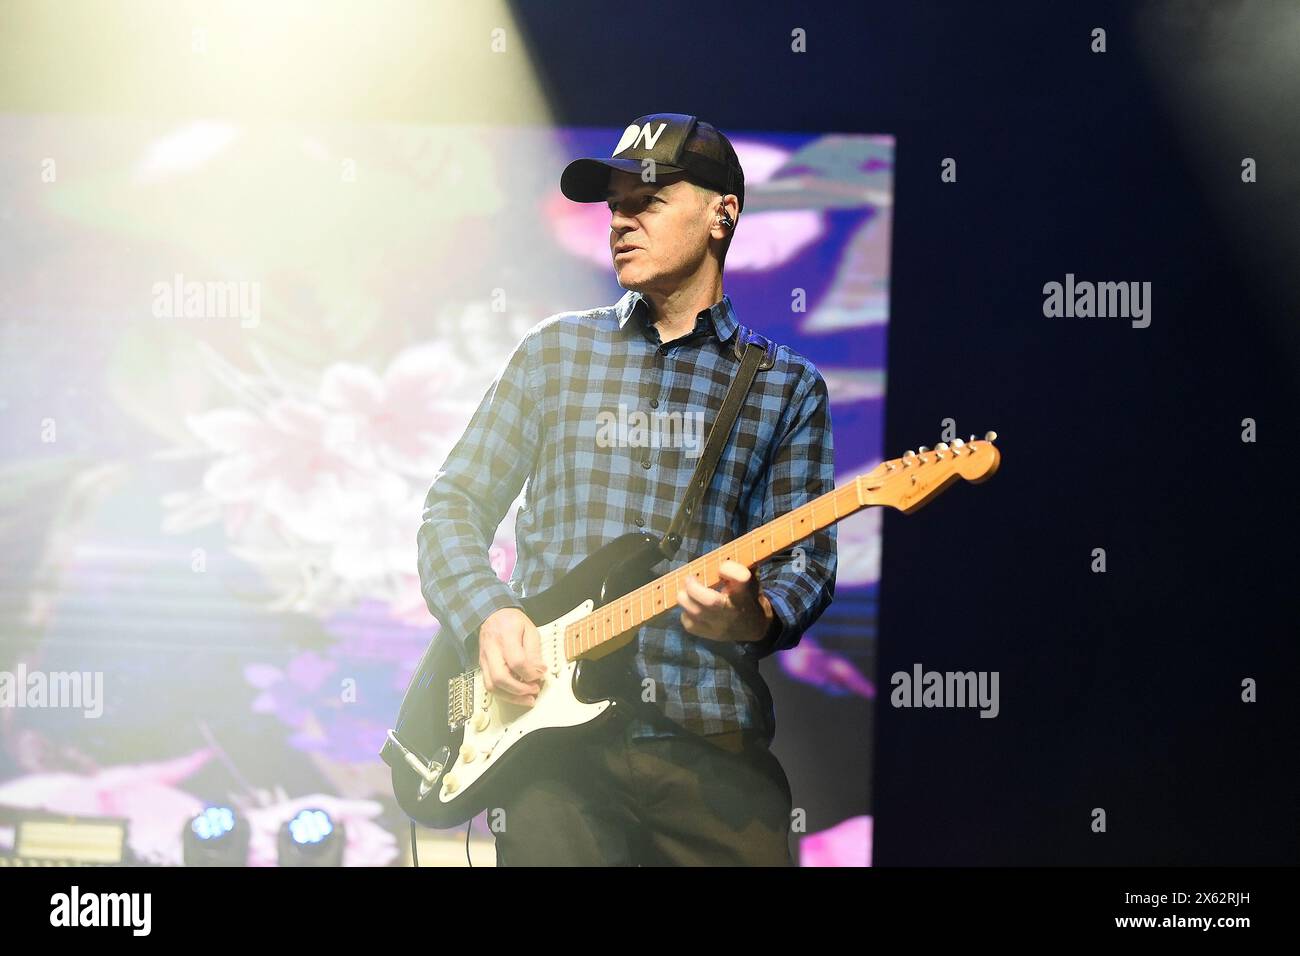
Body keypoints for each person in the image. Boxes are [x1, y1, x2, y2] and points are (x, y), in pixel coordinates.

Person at [417, 113, 836, 865]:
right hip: (550, 758)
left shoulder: (787, 386)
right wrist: (487, 615)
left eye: (648, 199)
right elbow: (453, 507)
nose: (620, 220)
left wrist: (754, 614)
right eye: (613, 203)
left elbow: (806, 565)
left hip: (708, 739)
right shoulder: (555, 353)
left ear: (722, 212)